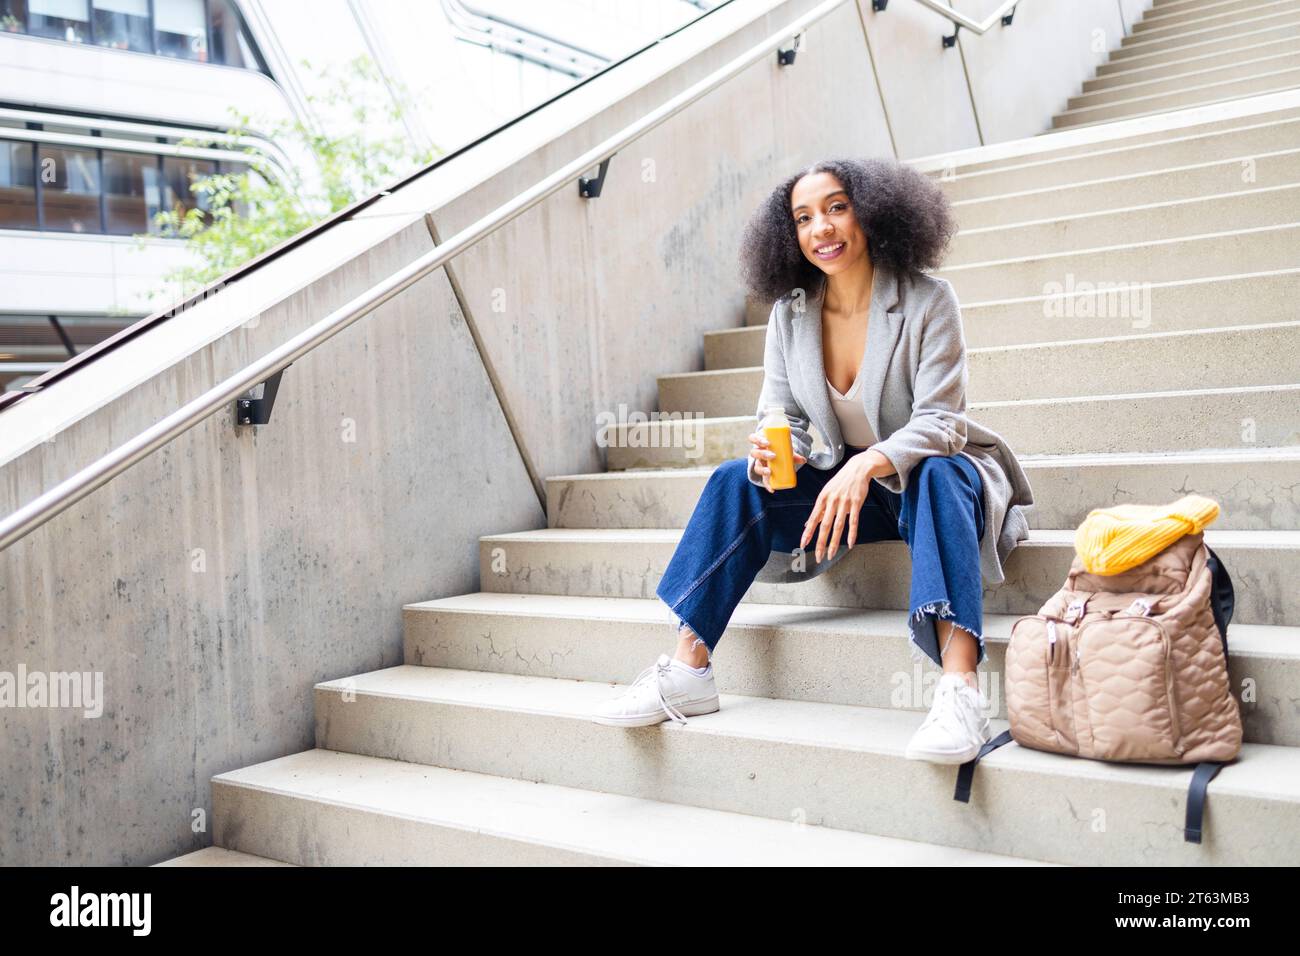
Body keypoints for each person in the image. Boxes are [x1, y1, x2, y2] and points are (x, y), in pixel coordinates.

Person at [591, 157, 1034, 765]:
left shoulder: (929, 300)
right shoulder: (790, 312)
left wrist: (867, 463)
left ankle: (960, 688)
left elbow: (942, 423)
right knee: (732, 479)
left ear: (872, 211)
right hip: (841, 493)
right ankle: (690, 669)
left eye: (835, 208)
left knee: (936, 471)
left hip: (928, 479)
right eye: (803, 218)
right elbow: (782, 416)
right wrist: (778, 453)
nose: (820, 228)